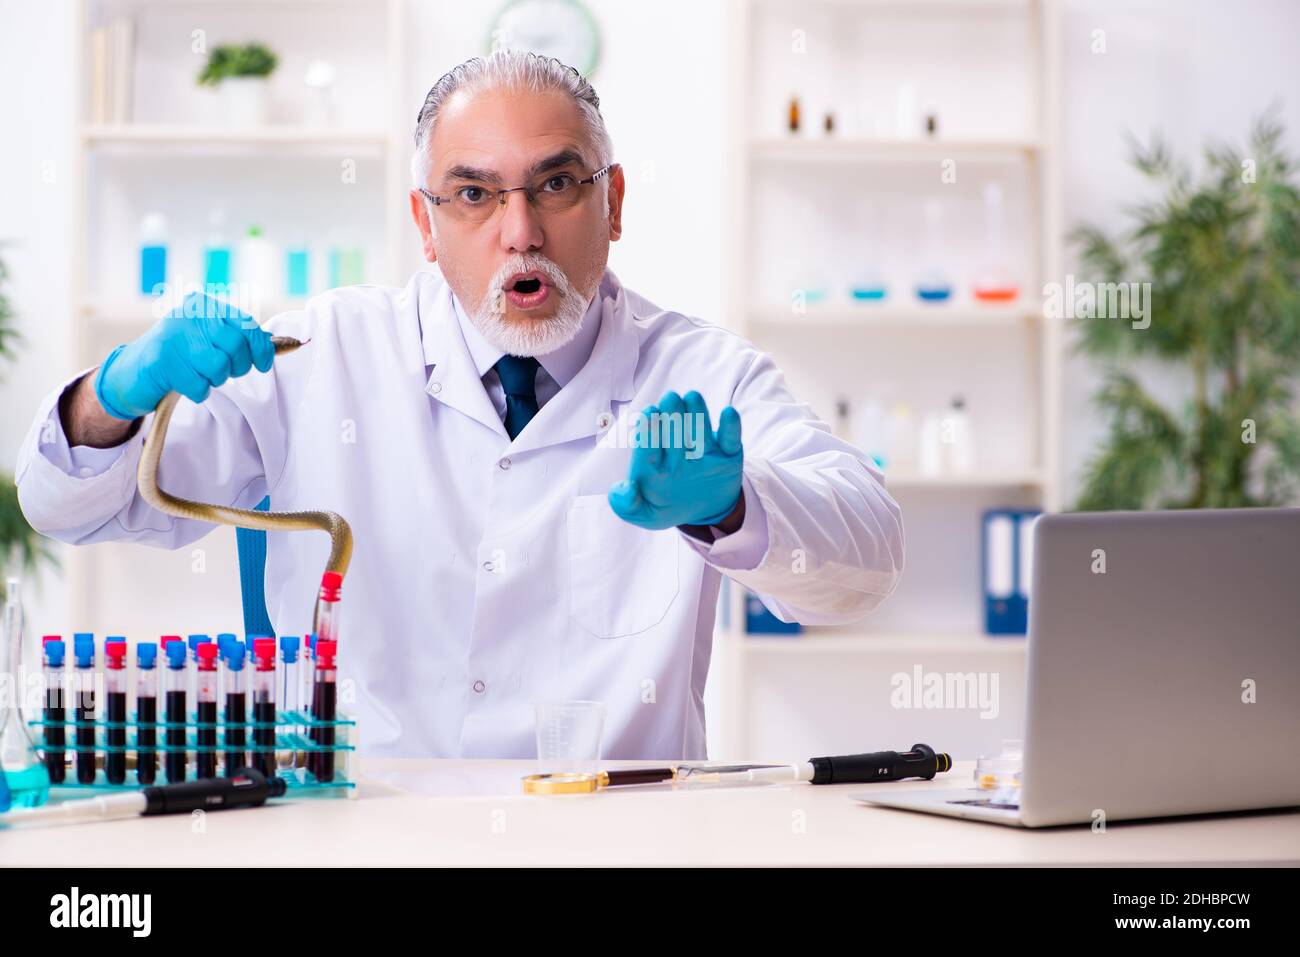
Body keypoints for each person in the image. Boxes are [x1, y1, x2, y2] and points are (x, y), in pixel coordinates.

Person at [16, 51, 904, 759]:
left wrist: (734, 504)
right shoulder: (322, 356)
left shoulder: (704, 374)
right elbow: (63, 506)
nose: (520, 231)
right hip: (361, 839)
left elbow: (867, 566)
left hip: (618, 842)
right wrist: (114, 395)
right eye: (475, 194)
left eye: (557, 185)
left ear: (615, 201)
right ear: (426, 224)